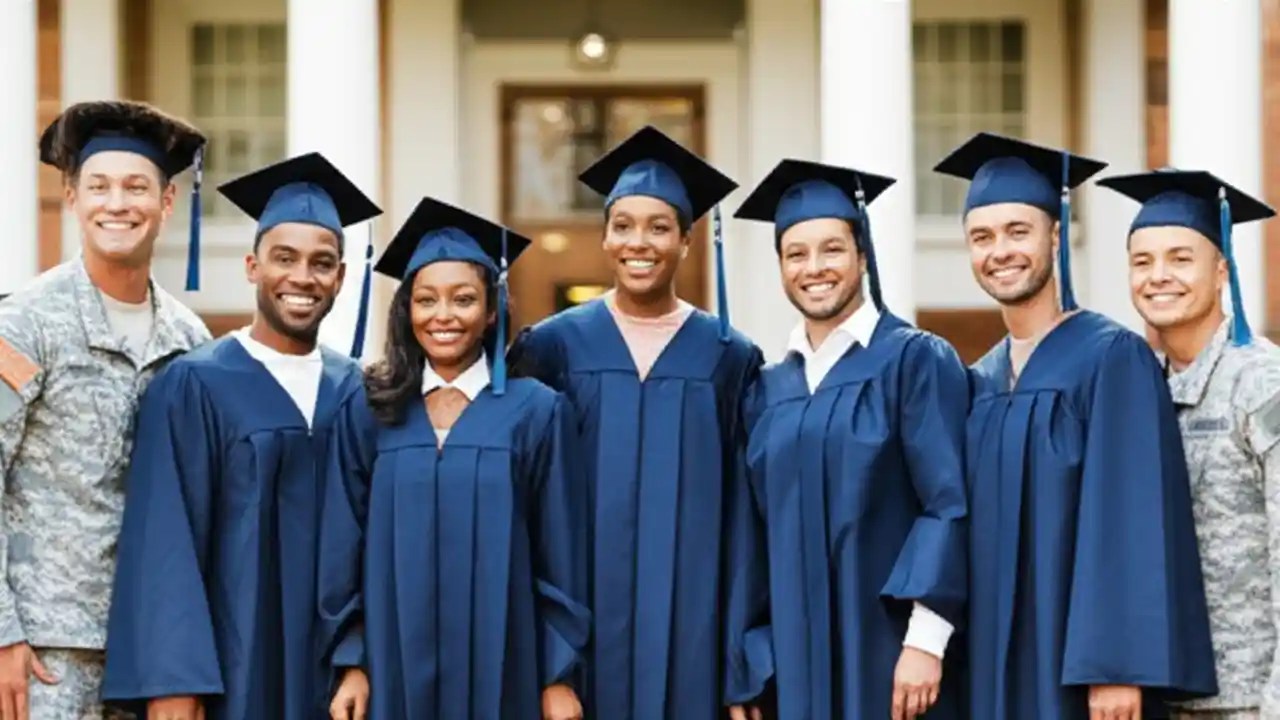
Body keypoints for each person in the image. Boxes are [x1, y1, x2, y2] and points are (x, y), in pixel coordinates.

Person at [932, 132, 1218, 720]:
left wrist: (1116, 667)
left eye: (1018, 231)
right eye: (982, 237)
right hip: (993, 665)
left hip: (1080, 672)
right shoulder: (978, 379)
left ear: (1054, 236)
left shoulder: (1112, 357)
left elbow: (1130, 519)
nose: (1000, 251)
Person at [101, 152, 382, 720]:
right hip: (230, 669)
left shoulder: (357, 390)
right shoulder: (194, 384)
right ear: (253, 267)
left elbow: (377, 542)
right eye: (285, 258)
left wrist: (360, 657)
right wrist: (173, 684)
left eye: (321, 262)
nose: (303, 277)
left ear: (341, 277)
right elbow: (165, 545)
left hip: (331, 678)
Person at [506, 125, 763, 719]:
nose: (638, 242)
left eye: (658, 226)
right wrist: (550, 662)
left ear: (687, 241)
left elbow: (746, 522)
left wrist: (742, 664)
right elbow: (522, 510)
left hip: (694, 637)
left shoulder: (729, 357)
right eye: (622, 225)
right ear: (604, 238)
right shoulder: (552, 349)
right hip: (583, 636)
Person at [321, 197, 589, 719]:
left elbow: (560, 555)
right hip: (392, 663)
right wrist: (351, 661)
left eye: (463, 299)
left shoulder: (537, 412)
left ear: (491, 312)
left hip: (506, 661)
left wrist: (557, 675)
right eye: (426, 300)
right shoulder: (371, 408)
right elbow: (341, 545)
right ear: (408, 310)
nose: (443, 316)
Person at [724, 159, 969, 720]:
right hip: (795, 660)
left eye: (832, 249)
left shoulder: (913, 359)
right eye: (796, 254)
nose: (815, 268)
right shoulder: (767, 387)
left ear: (862, 256)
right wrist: (750, 665)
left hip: (890, 654)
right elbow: (753, 536)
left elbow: (948, 501)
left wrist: (925, 640)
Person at [0, 100, 209, 720]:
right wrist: (3, 629)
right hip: (44, 648)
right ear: (71, 198)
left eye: (136, 187)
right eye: (99, 186)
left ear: (166, 203)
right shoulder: (24, 324)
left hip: (148, 648)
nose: (117, 204)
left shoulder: (189, 339)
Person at [1100, 168, 1280, 720]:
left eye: (1181, 259)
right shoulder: (1135, 388)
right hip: (1160, 699)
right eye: (1142, 261)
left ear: (1221, 269)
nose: (1159, 277)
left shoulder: (1261, 382)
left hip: (1248, 700)